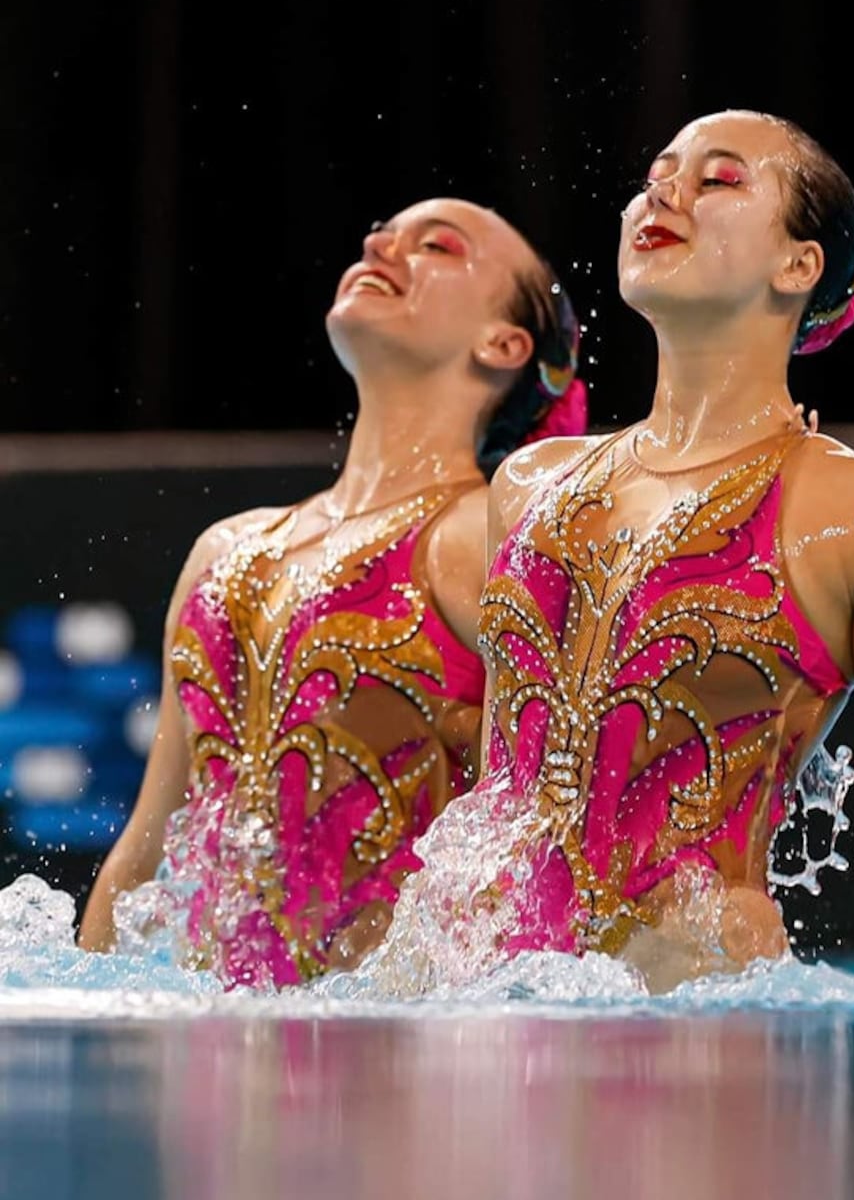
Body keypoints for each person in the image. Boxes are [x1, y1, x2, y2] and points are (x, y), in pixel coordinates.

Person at [456, 110, 854, 996]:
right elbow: (492, 804)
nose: (665, 191)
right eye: (657, 173)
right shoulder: (528, 489)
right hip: (491, 1014)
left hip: (703, 1039)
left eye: (717, 180)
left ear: (800, 265)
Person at [78, 198, 586, 985]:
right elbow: (144, 850)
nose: (381, 242)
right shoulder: (225, 550)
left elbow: (552, 837)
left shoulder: (485, 539)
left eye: (437, 246)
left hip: (388, 1064)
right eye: (383, 231)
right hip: (213, 1059)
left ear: (505, 343)